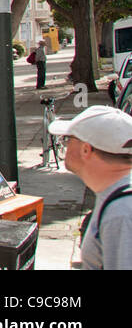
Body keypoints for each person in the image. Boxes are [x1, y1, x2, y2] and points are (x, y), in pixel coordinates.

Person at [49, 106, 132, 269]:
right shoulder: (116, 198)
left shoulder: (121, 213)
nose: (64, 145)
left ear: (86, 149)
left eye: (68, 139)